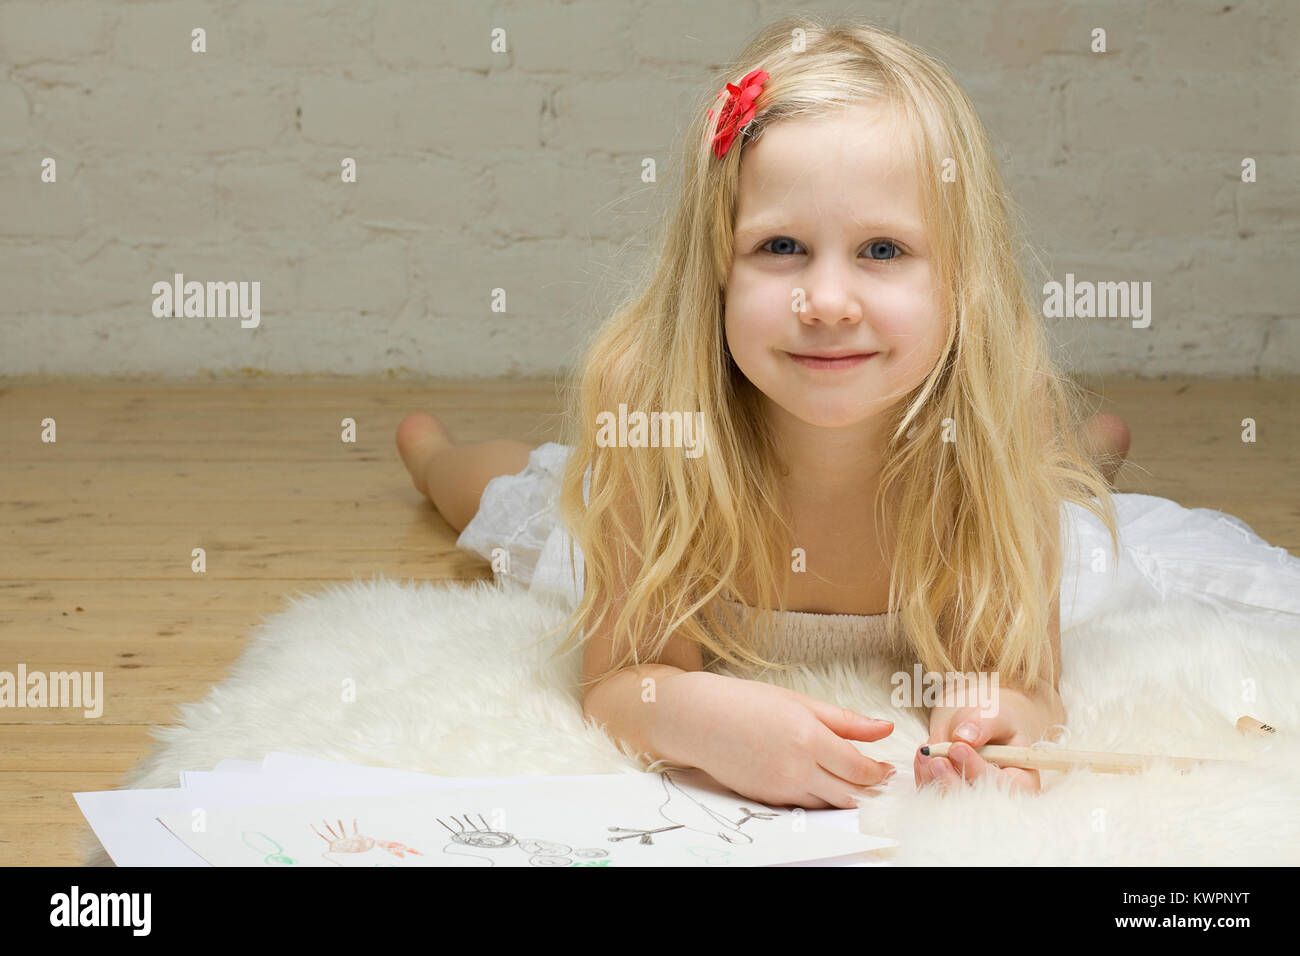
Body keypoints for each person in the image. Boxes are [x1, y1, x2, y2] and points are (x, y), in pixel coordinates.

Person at [396, 16, 1298, 810]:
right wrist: (708, 721)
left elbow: (1019, 678)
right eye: (781, 247)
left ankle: (1076, 452)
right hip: (656, 479)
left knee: (1048, 476)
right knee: (511, 496)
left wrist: (996, 720)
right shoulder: (651, 396)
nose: (828, 300)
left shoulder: (991, 397)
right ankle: (429, 448)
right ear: (717, 262)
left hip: (994, 447)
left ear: (958, 276)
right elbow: (621, 683)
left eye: (882, 249)